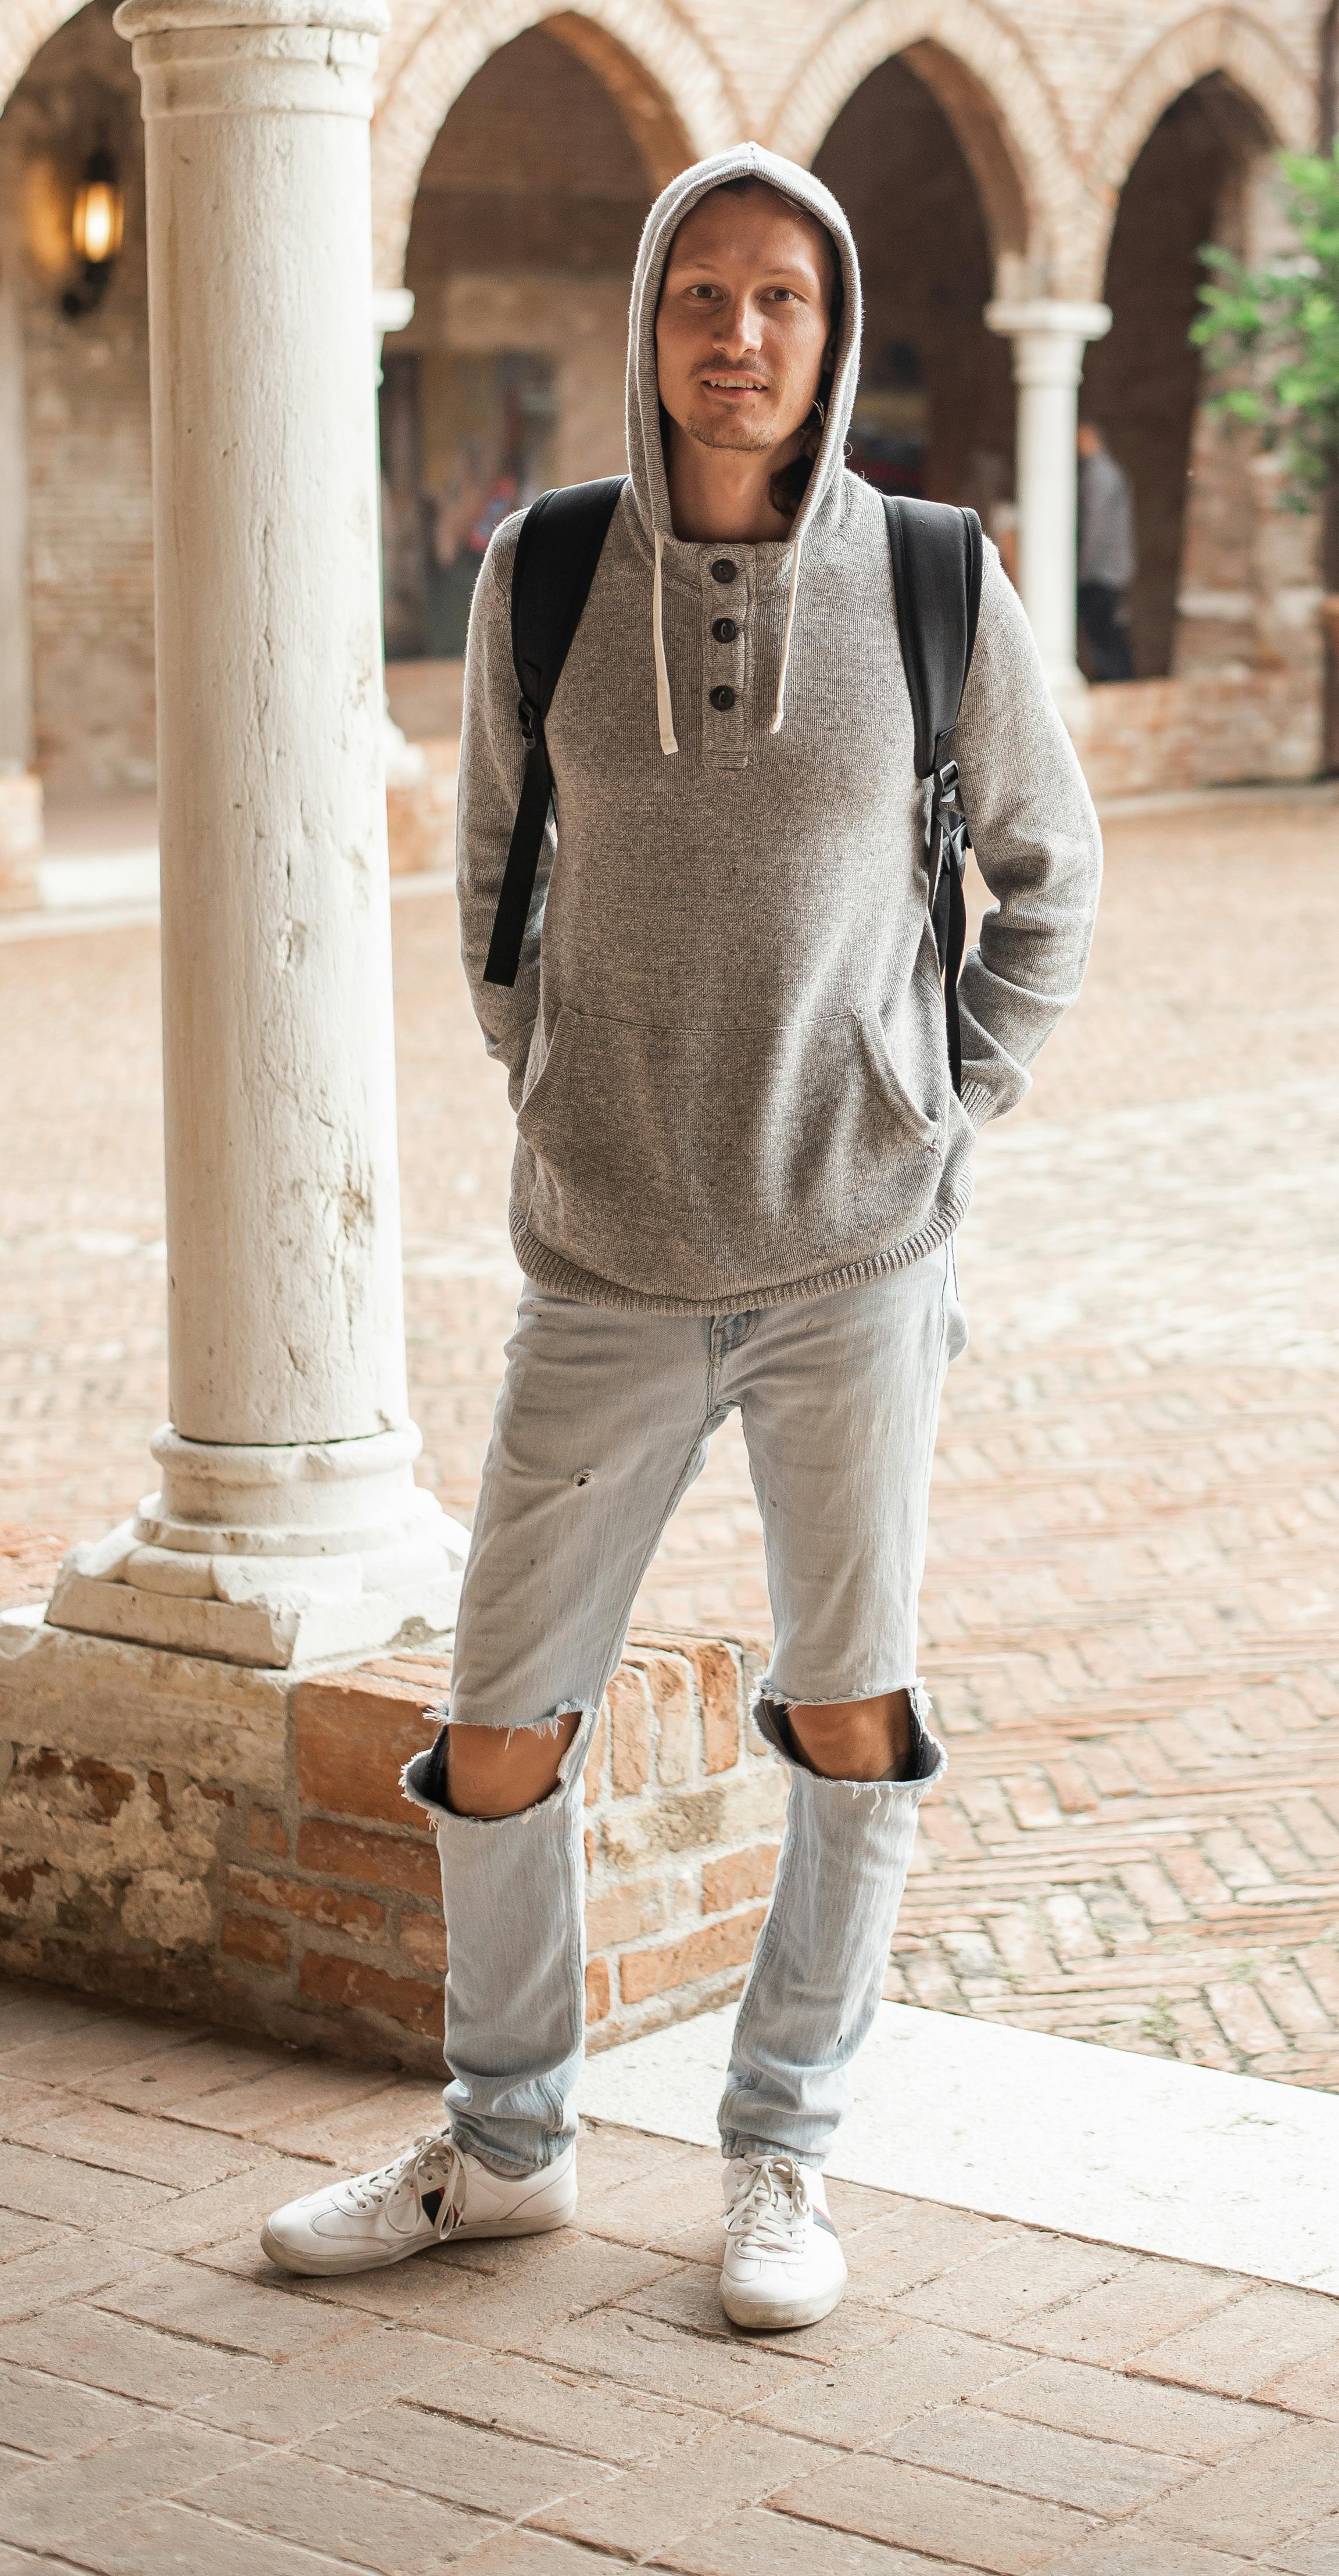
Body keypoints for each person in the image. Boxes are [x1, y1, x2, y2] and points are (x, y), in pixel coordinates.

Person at [262, 148, 1102, 2333]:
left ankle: (784, 2155)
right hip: (604, 1264)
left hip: (855, 1262)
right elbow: (482, 891)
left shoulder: (933, 578)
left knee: (847, 1710)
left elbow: (1052, 870)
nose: (739, 335)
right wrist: (562, 1086)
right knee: (500, 1726)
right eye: (701, 295)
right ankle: (507, 2139)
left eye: (782, 303)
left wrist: (947, 1100)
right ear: (650, 327)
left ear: (828, 341)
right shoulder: (538, 575)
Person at [1075, 418, 1136, 683]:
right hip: (1105, 566)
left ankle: (1116, 680)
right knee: (1105, 627)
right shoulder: (1103, 471)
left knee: (1104, 628)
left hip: (1101, 567)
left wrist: (1081, 566)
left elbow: (1094, 522)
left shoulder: (1099, 473)